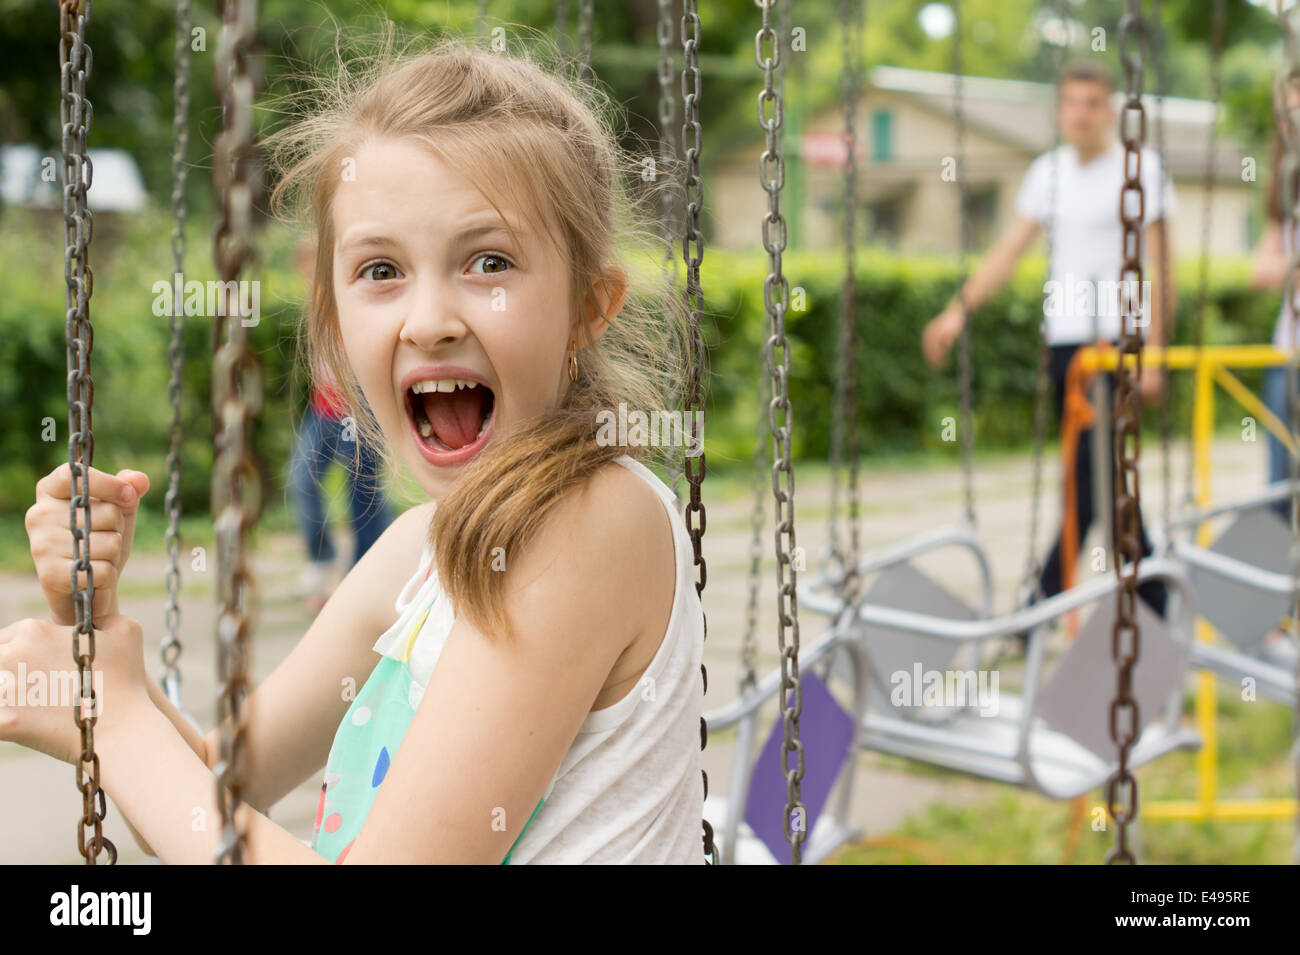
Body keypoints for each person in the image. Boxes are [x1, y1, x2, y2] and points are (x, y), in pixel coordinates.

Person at [11, 38, 706, 863]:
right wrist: (97, 640)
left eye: (490, 262)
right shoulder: (418, 550)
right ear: (336, 323)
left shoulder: (593, 520)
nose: (430, 318)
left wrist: (114, 715)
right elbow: (202, 796)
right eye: (381, 269)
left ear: (590, 307)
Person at [921, 60, 1177, 618]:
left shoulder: (1141, 169)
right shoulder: (1048, 172)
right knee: (1099, 479)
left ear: (1109, 109)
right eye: (1071, 103)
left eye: (1092, 103)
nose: (1081, 114)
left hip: (1117, 342)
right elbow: (1007, 252)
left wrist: (1153, 353)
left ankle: (1041, 605)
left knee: (1097, 479)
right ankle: (1153, 597)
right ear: (1059, 110)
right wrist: (955, 312)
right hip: (1067, 342)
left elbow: (1160, 267)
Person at [288, 237, 394, 614]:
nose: (307, 276)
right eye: (304, 268)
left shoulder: (351, 303)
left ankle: (362, 573)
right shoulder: (316, 306)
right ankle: (322, 561)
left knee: (361, 491)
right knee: (302, 479)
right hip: (324, 410)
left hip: (360, 407)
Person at [1249, 74, 1300, 524]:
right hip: (1288, 349)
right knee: (1280, 486)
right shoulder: (1286, 191)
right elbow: (1259, 271)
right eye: (1287, 116)